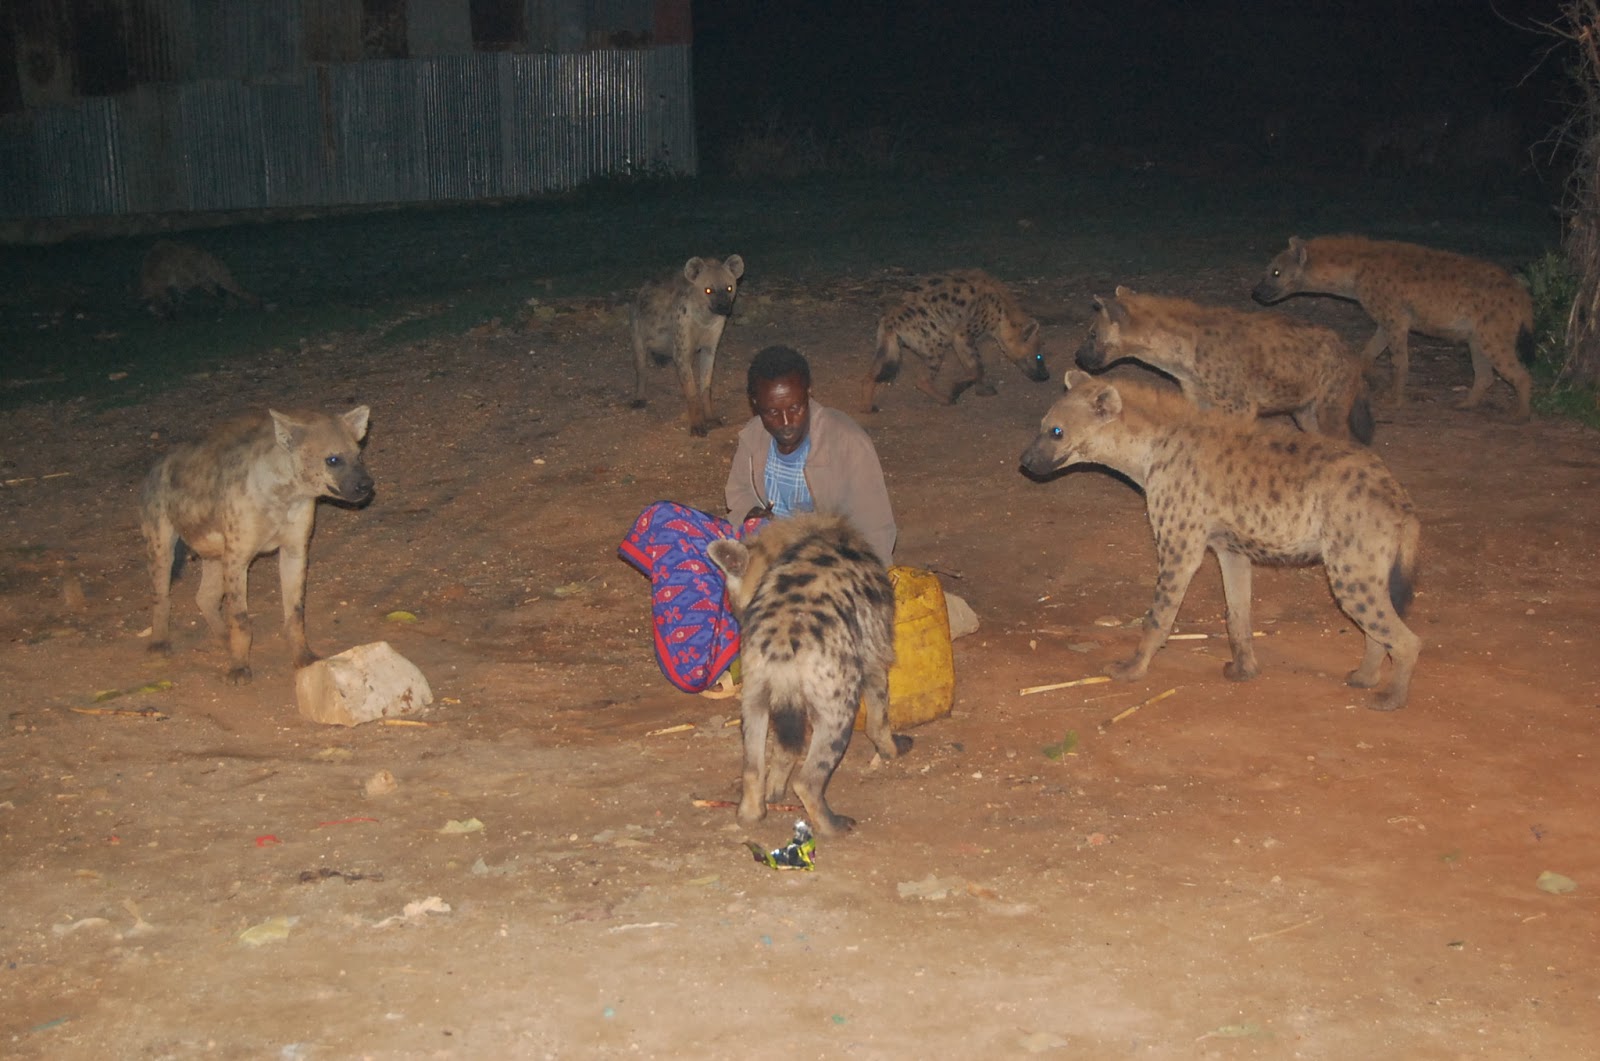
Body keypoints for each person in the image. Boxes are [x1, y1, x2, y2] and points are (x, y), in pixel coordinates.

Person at [619, 345, 897, 693]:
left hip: (819, 566)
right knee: (667, 521)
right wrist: (752, 516)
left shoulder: (846, 441)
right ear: (755, 404)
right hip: (763, 550)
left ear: (809, 393)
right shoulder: (754, 436)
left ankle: (735, 660)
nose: (784, 423)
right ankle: (703, 651)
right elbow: (738, 496)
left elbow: (875, 530)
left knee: (756, 547)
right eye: (771, 412)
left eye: (795, 408)